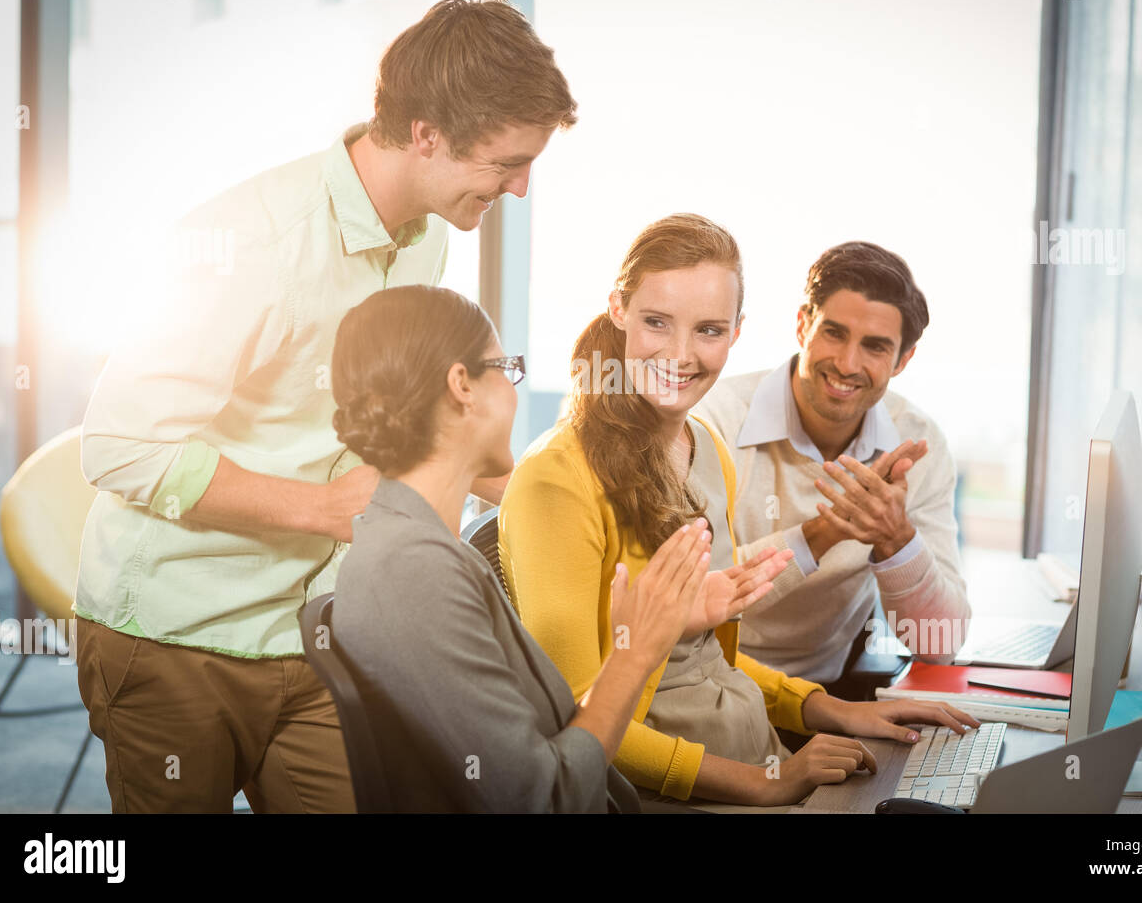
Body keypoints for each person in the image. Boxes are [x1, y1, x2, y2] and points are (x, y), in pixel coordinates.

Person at [73, 0, 577, 812]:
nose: (519, 188)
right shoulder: (250, 243)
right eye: (506, 162)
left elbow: (390, 410)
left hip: (318, 630)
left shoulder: (430, 235)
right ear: (427, 135)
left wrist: (525, 484)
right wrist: (322, 509)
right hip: (173, 635)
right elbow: (120, 447)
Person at [499, 214, 977, 808]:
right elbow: (581, 727)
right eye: (655, 322)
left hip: (761, 750)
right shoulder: (557, 476)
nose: (680, 354)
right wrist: (767, 781)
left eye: (707, 330)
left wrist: (827, 709)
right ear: (617, 309)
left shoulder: (703, 447)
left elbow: (706, 663)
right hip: (693, 786)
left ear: (736, 333)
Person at [329, 285, 749, 811]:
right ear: (462, 385)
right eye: (504, 367)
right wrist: (634, 650)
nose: (514, 389)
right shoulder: (412, 573)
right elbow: (544, 798)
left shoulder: (423, 549)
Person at [693, 242, 972, 699]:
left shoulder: (920, 443)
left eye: (875, 347)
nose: (846, 364)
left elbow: (938, 644)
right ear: (803, 324)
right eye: (834, 333)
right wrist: (824, 532)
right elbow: (694, 597)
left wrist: (896, 540)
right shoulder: (714, 421)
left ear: (903, 360)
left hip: (829, 691)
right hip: (710, 686)